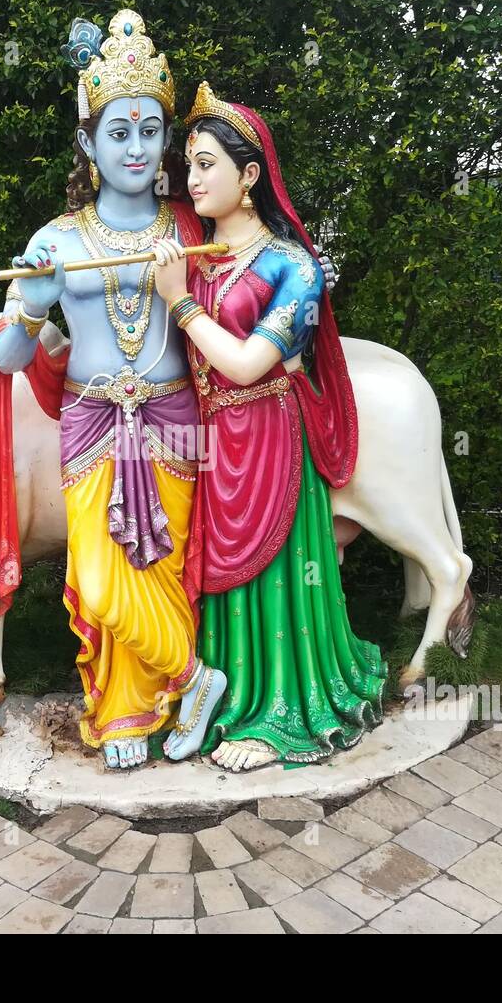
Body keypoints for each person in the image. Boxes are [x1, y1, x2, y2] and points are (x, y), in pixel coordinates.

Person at [0, 12, 228, 769]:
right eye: (117, 133)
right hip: (93, 421)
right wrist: (30, 302)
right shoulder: (54, 241)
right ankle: (193, 680)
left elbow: (239, 303)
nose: (134, 148)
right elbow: (5, 358)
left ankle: (143, 713)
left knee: (161, 565)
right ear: (89, 144)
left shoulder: (195, 228)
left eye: (148, 132)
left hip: (174, 421)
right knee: (96, 574)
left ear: (167, 143)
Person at [154, 83, 388, 771]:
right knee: (216, 572)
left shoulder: (295, 267)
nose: (191, 179)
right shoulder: (195, 255)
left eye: (206, 165)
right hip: (210, 443)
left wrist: (179, 305)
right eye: (189, 165)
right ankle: (225, 698)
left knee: (277, 571)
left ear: (250, 175)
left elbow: (252, 363)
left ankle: (280, 711)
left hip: (270, 440)